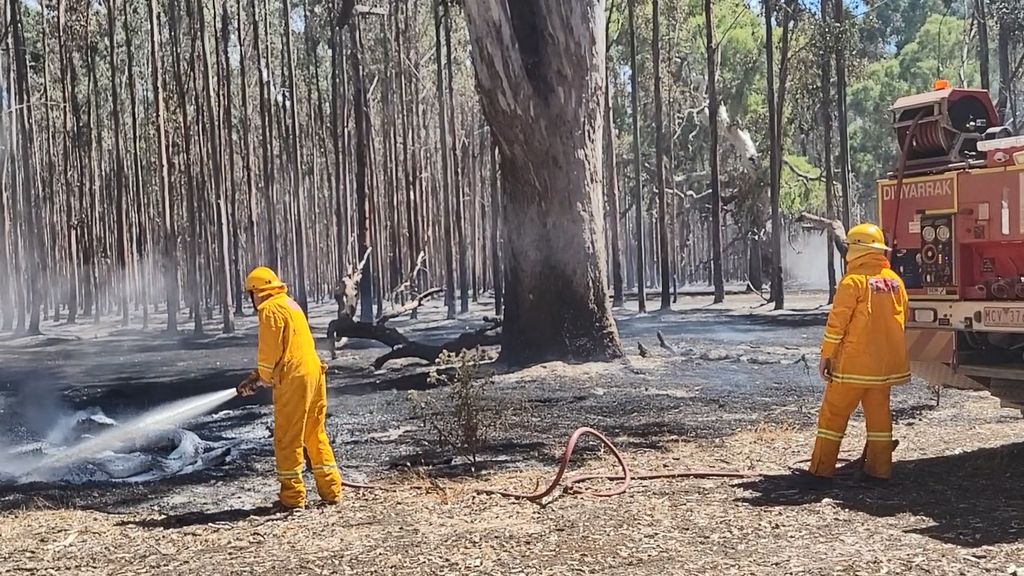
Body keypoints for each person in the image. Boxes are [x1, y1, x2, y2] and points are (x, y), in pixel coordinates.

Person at [807, 223, 910, 484]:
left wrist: (826, 355)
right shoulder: (895, 282)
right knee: (879, 419)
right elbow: (901, 319)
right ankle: (879, 471)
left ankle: (821, 471)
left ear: (858, 249)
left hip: (852, 366)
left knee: (833, 416)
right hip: (884, 368)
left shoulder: (852, 282)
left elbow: (837, 324)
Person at [237, 266, 342, 509]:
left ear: (256, 292)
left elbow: (270, 352)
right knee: (314, 433)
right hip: (314, 372)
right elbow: (290, 345)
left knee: (287, 438)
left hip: (294, 378)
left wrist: (261, 377)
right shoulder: (289, 303)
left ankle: (292, 498)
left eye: (250, 295)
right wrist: (257, 376)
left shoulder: (269, 309)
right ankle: (331, 489)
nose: (250, 300)